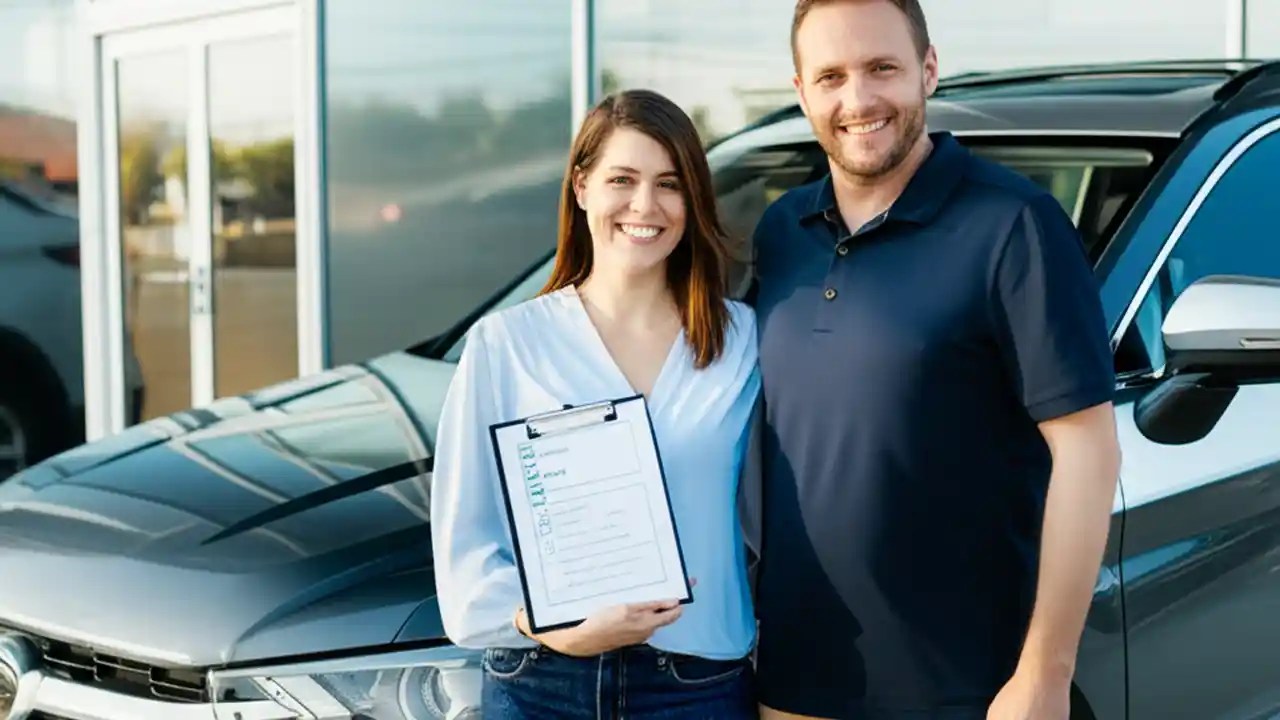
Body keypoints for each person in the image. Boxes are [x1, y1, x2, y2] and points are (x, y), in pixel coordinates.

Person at [745, 1, 1123, 718]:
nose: (858, 99)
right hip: (790, 686)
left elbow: (1088, 451)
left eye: (881, 67)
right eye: (831, 77)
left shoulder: (1014, 224)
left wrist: (1045, 674)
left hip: (967, 691)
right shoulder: (780, 231)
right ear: (801, 91)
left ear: (927, 69)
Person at [430, 89, 762, 719]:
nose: (645, 205)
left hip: (697, 685)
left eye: (669, 184)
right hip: (541, 682)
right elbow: (465, 536)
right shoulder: (507, 345)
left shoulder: (742, 342)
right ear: (581, 187)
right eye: (622, 180)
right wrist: (544, 625)